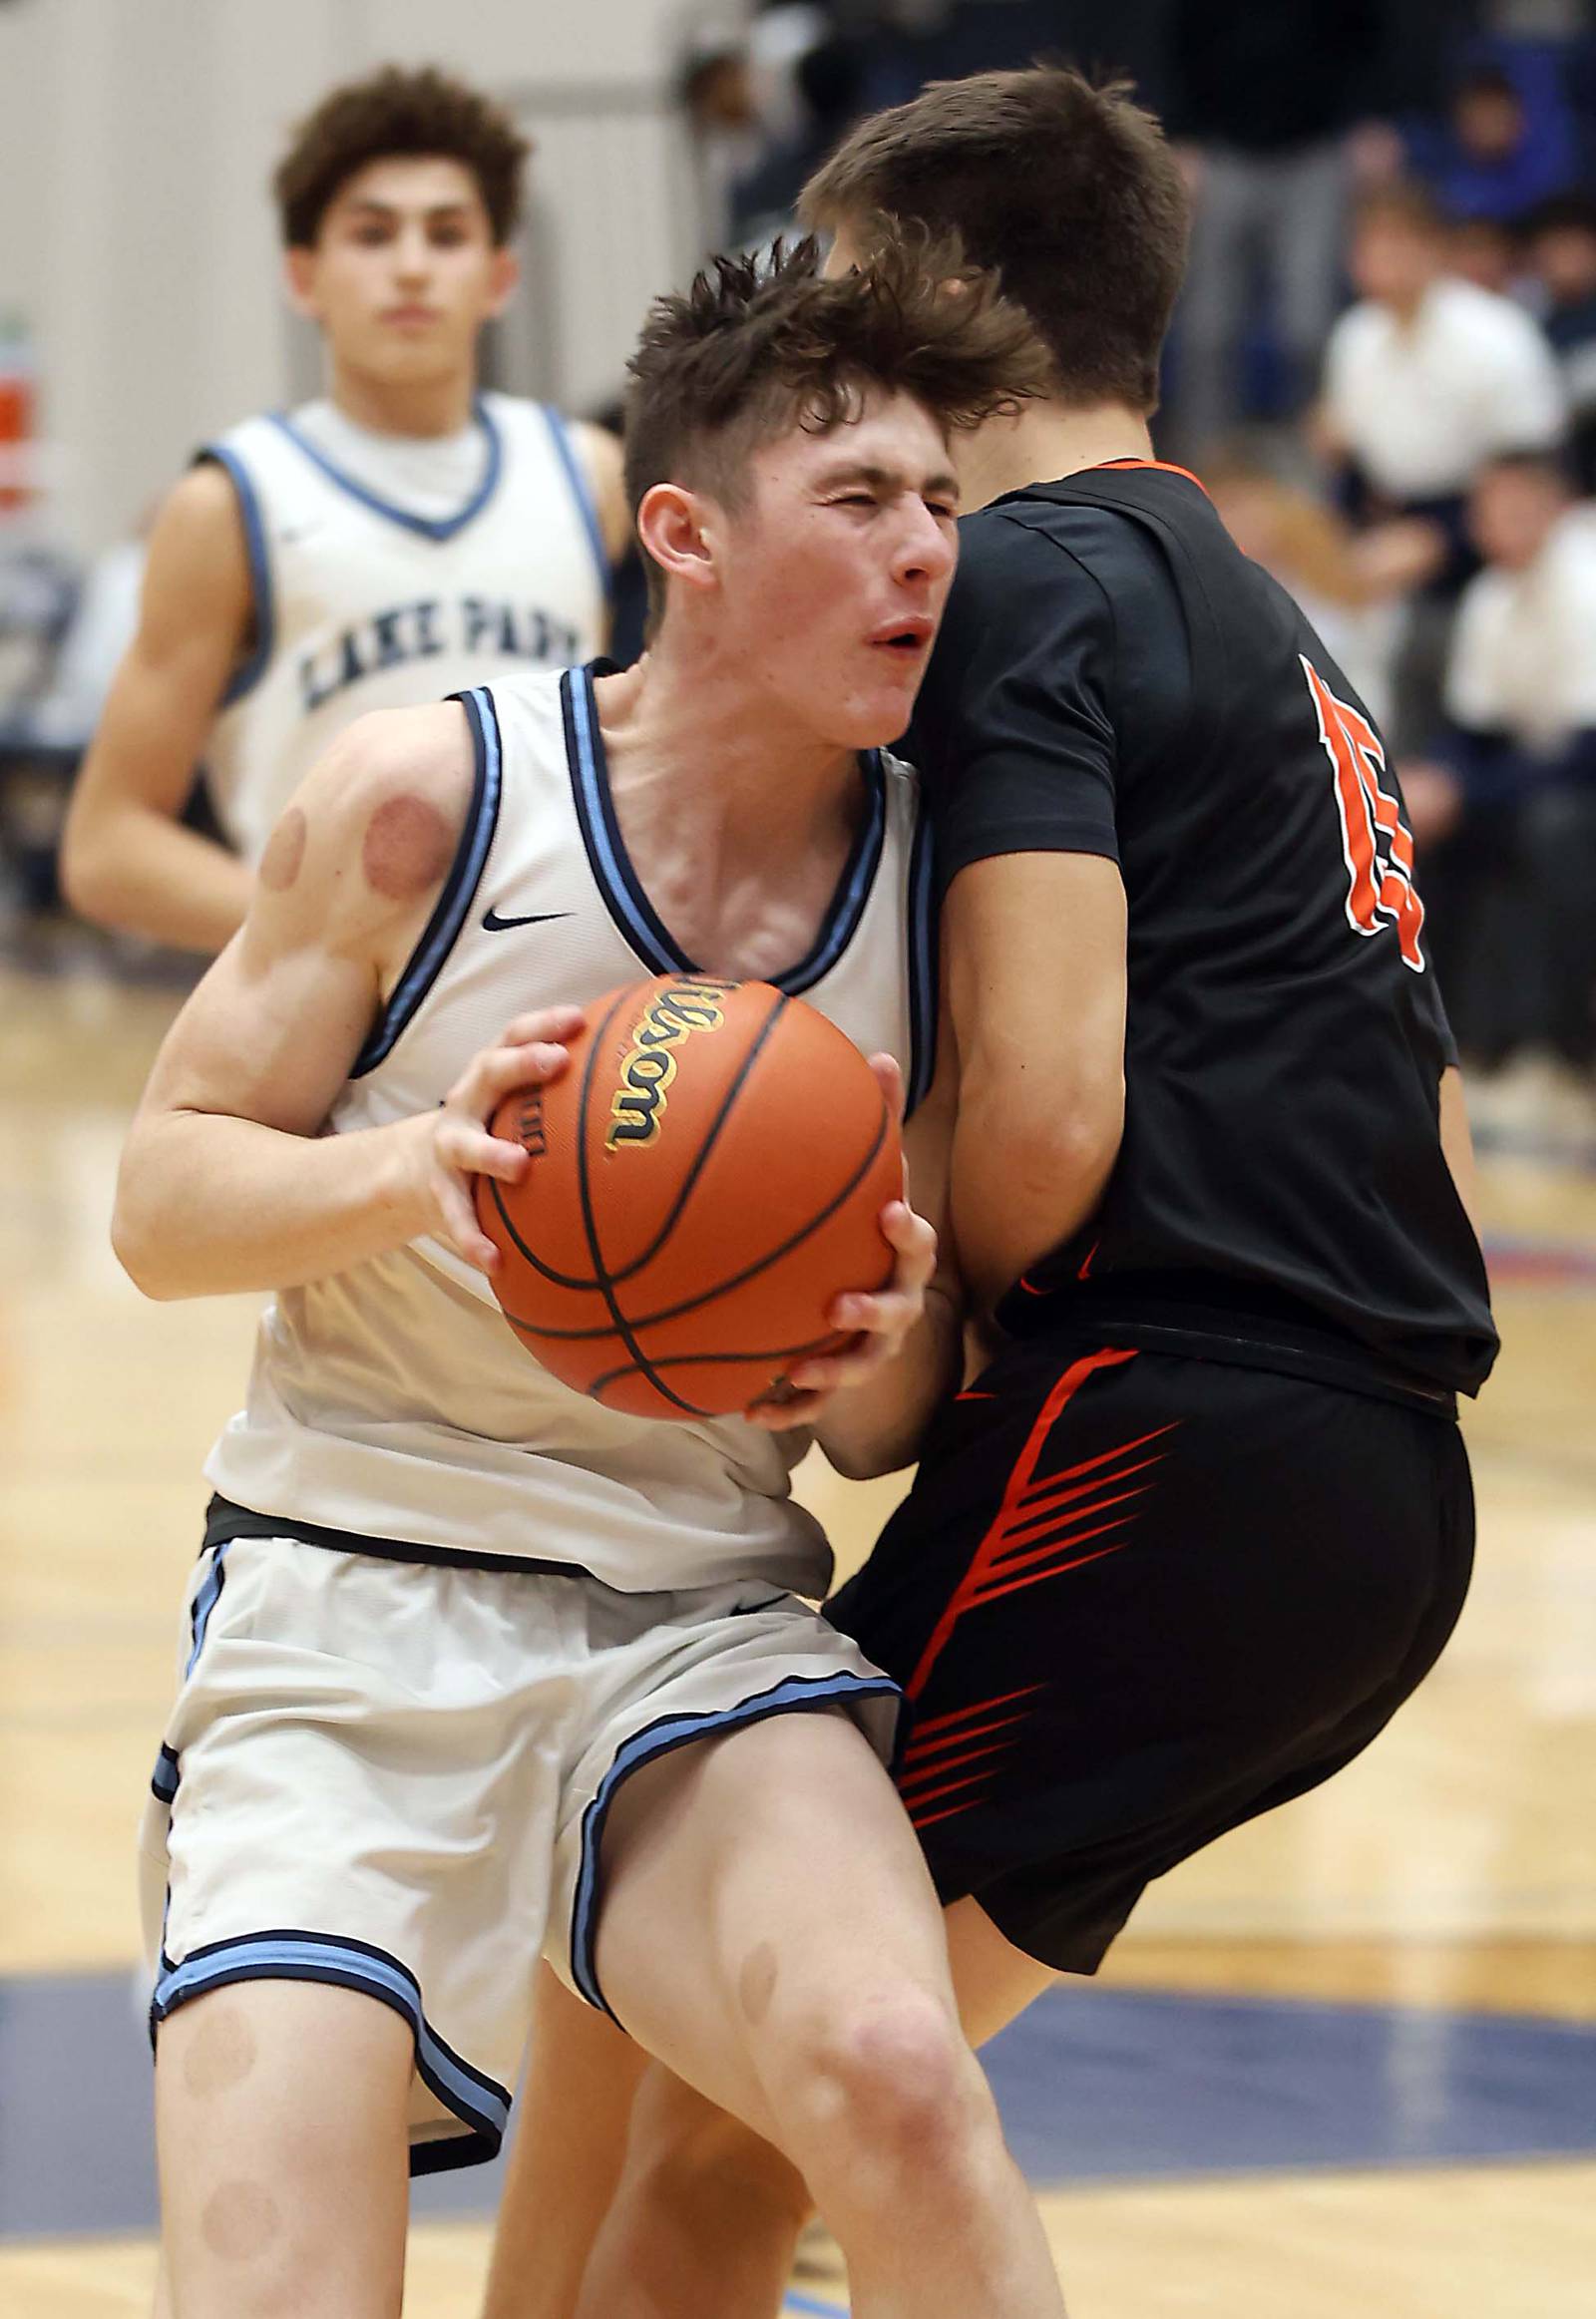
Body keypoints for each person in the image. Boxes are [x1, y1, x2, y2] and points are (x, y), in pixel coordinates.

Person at [486, 66, 1499, 2319]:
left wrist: (870, 1276)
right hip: (1368, 1486)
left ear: (924, 308)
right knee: (675, 1977)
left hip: (1164, 1439)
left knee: (731, 2144)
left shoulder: (1020, 576)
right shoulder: (1259, 606)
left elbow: (1040, 1119)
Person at [117, 236, 1067, 2319]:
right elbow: (161, 1203)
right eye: (858, 502)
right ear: (684, 534)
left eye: (940, 506)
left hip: (692, 1624)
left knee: (897, 2077)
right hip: (340, 1602)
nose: (925, 554)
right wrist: (409, 1176)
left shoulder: (945, 877)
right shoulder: (423, 798)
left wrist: (883, 1344)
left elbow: (882, 1428)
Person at [60, 64, 628, 955]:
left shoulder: (593, 477)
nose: (410, 268)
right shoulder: (229, 503)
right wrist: (338, 933)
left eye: (446, 236)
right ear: (303, 275)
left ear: (500, 275)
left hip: (560, 997)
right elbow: (107, 847)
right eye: (372, 235)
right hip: (327, 1034)